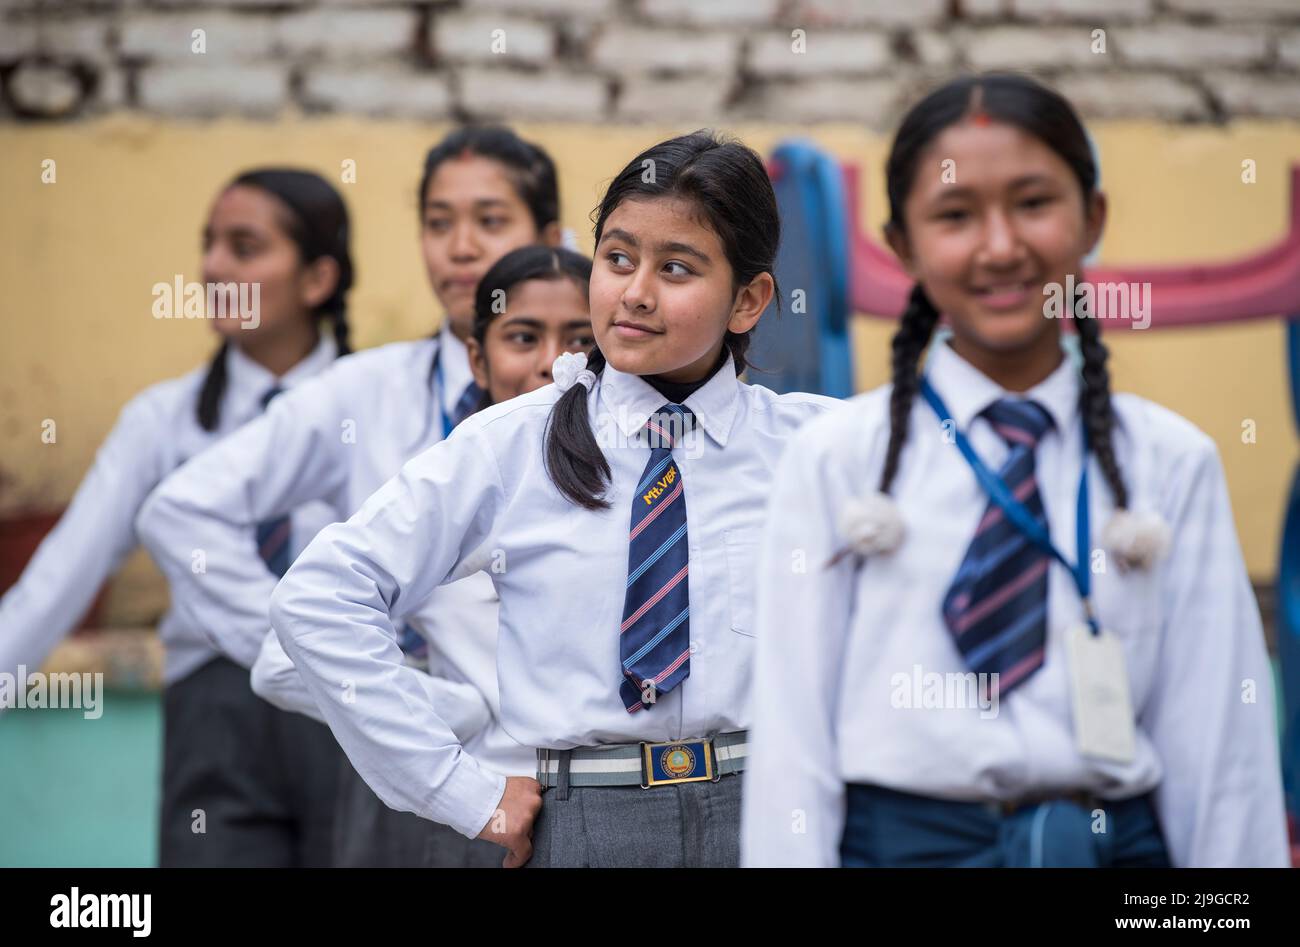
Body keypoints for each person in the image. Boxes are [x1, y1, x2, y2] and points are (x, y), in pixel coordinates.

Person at [741, 73, 1290, 868]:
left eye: (1034, 203)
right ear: (904, 245)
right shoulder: (837, 459)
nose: (1000, 246)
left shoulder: (1170, 463)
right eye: (956, 215)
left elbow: (1222, 753)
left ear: (1093, 217)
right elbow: (792, 741)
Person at [267, 130, 841, 868]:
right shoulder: (508, 446)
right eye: (618, 258)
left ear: (750, 299)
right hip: (586, 826)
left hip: (773, 818)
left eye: (677, 268)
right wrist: (456, 788)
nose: (635, 292)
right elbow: (318, 597)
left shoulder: (819, 446)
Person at [138, 127, 566, 868]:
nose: (460, 248)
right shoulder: (362, 391)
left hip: (553, 784)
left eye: (490, 220)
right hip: (405, 776)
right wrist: (354, 673)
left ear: (550, 239)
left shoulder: (608, 412)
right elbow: (180, 510)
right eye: (438, 222)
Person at [2, 168, 355, 866]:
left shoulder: (377, 403)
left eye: (245, 246)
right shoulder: (161, 421)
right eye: (209, 244)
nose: (213, 266)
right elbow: (59, 578)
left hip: (349, 704)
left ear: (318, 279)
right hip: (215, 717)